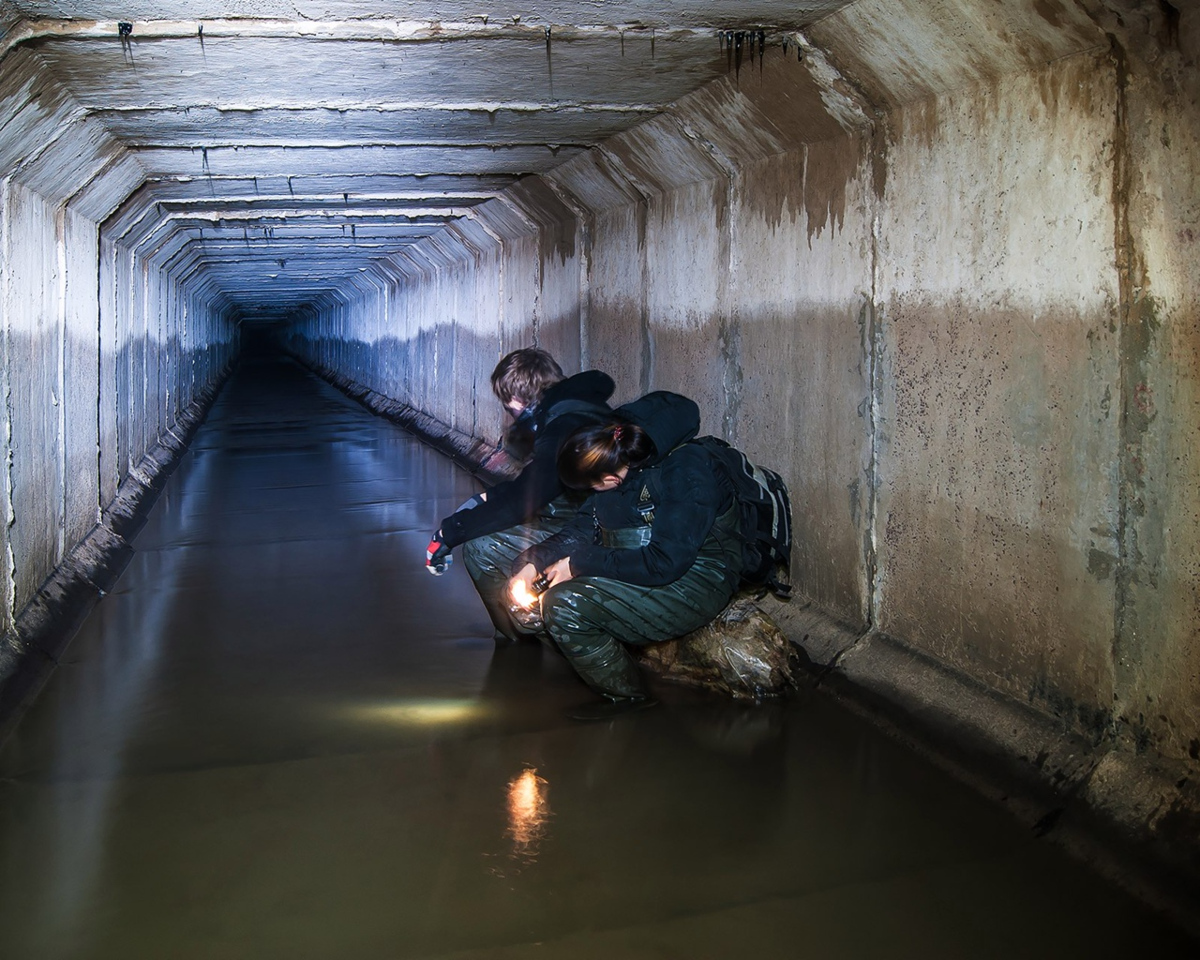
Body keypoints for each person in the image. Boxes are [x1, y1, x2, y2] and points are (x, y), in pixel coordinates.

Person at [508, 391, 744, 714]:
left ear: (606, 478)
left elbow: (665, 562)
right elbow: (584, 528)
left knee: (565, 605)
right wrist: (534, 562)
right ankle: (582, 657)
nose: (592, 494)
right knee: (541, 588)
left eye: (591, 488)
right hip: (648, 558)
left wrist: (577, 565)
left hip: (702, 576)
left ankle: (632, 700)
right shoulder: (620, 463)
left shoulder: (687, 470)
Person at [425, 347, 615, 642]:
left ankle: (519, 634)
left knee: (481, 549)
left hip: (595, 529)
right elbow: (535, 485)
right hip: (596, 516)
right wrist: (483, 501)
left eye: (506, 404)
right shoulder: (578, 409)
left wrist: (449, 534)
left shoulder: (561, 427)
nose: (509, 413)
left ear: (517, 400)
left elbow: (522, 502)